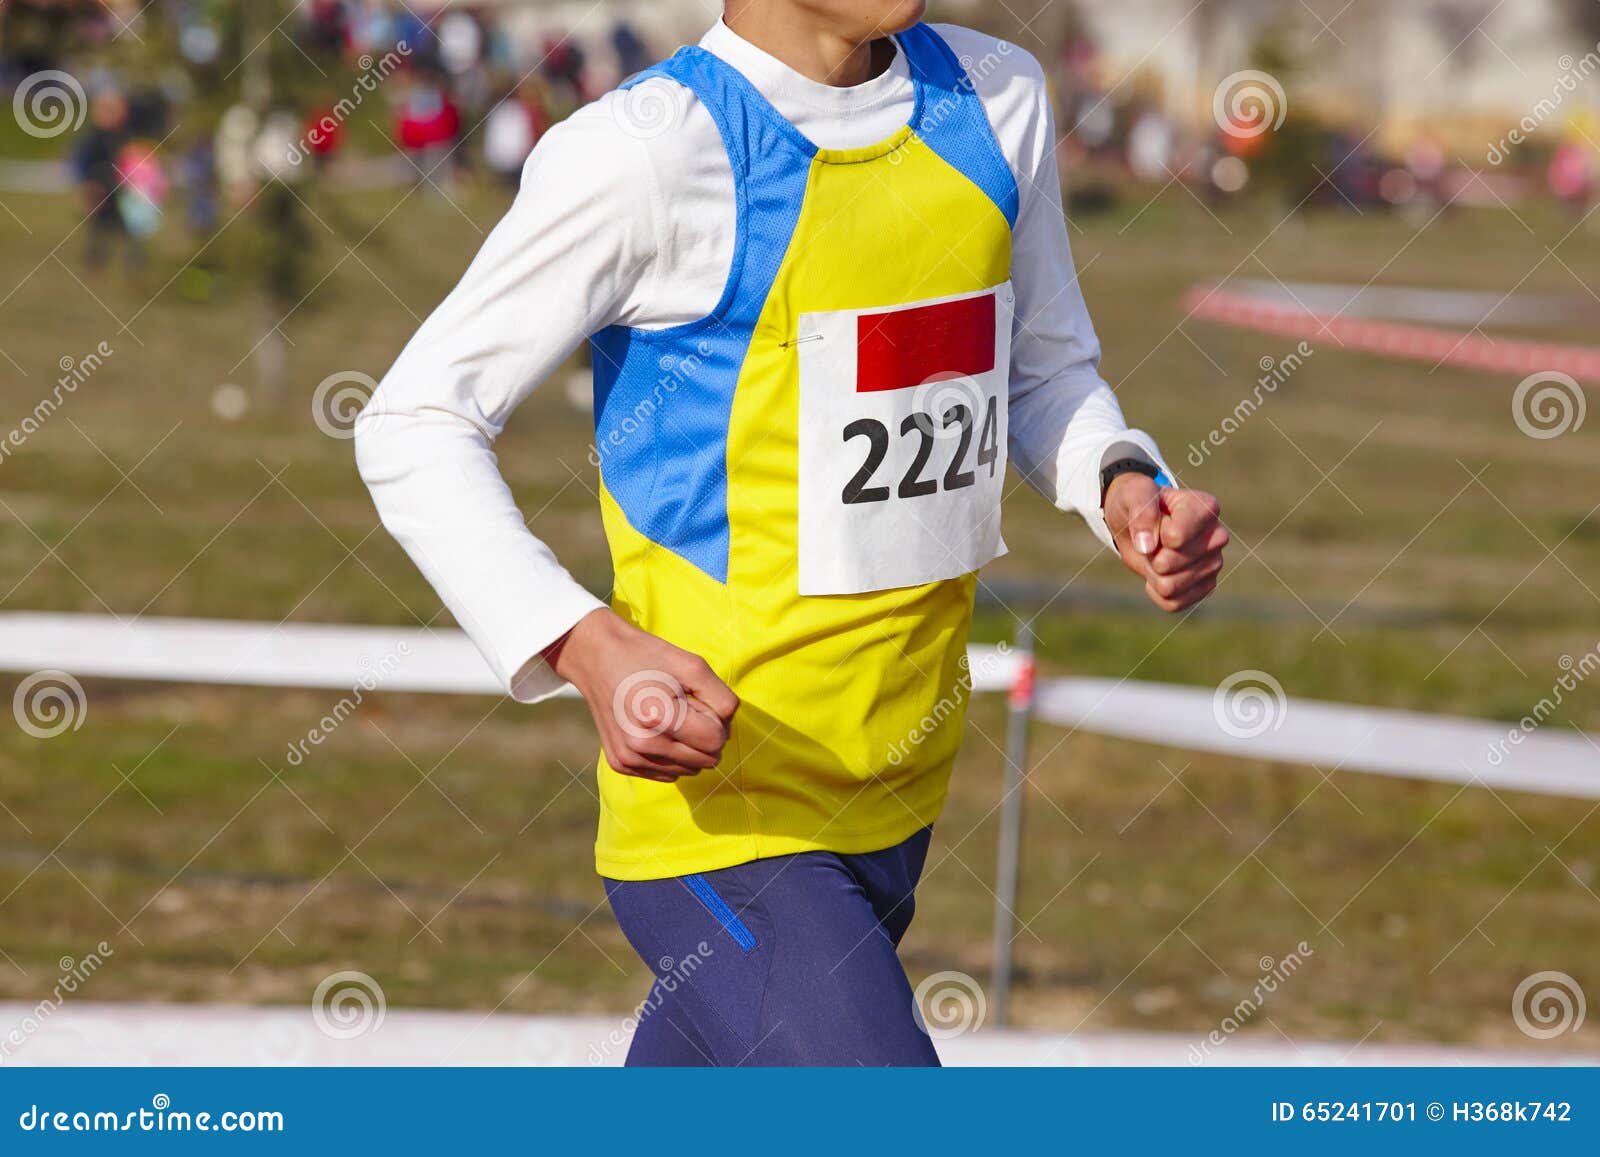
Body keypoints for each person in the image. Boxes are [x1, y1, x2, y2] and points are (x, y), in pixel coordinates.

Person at [356, 0, 1227, 1066]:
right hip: (722, 815)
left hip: (897, 796)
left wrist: (1122, 479)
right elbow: (415, 420)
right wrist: (582, 644)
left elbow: (1039, 367)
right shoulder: (647, 152)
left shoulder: (997, 97)